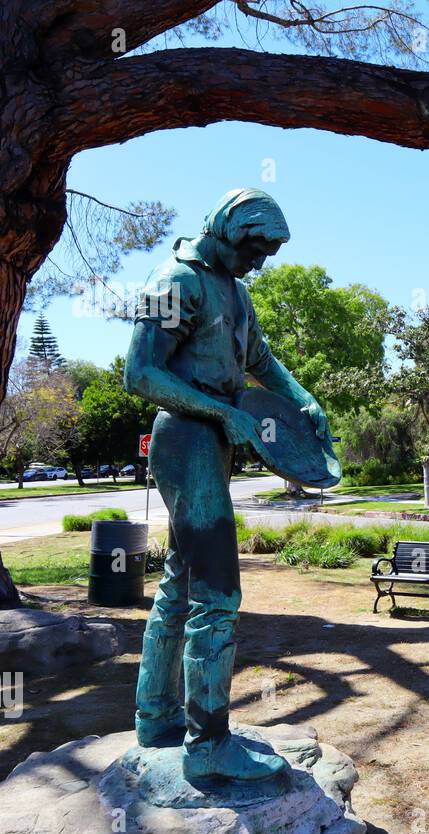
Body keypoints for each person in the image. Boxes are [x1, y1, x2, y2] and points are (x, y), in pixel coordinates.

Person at [124, 188, 330, 783]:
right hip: (185, 438)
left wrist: (303, 397)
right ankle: (208, 744)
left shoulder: (237, 294)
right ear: (226, 230)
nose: (261, 261)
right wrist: (221, 414)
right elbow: (140, 374)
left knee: (178, 586)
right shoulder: (173, 282)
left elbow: (261, 360)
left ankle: (155, 717)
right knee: (218, 596)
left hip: (209, 440)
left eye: (268, 252)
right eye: (256, 248)